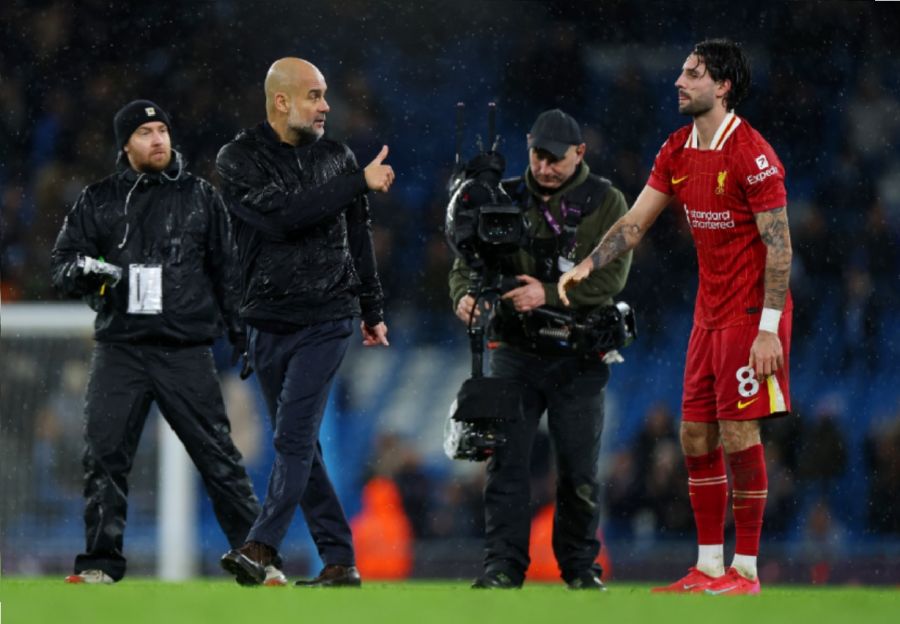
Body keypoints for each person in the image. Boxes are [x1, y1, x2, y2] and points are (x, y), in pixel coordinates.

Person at [559, 39, 792, 595]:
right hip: (708, 311)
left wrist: (767, 330)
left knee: (739, 432)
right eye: (682, 71)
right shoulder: (677, 149)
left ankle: (747, 570)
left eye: (692, 73)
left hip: (751, 313)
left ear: (723, 85)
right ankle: (709, 565)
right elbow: (636, 223)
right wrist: (588, 264)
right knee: (693, 434)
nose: (679, 81)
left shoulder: (753, 154)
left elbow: (779, 248)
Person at [50, 100, 278, 584]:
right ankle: (100, 566)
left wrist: (242, 334)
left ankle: (258, 559)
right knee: (104, 456)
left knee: (219, 458)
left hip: (184, 350)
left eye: (162, 130)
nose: (157, 139)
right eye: (144, 132)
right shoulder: (97, 200)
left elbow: (227, 271)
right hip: (120, 349)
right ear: (125, 145)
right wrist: (95, 275)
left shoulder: (201, 196)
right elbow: (62, 268)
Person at [216, 58, 392, 588]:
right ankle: (340, 561)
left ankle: (260, 546)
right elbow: (282, 218)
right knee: (302, 447)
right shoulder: (238, 160)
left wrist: (371, 310)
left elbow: (357, 238)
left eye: (325, 96)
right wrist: (356, 183)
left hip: (327, 317)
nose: (325, 106)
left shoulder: (337, 157)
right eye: (314, 96)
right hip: (266, 322)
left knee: (292, 440)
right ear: (281, 102)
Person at [449, 109, 632, 590]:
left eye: (556, 159)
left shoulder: (607, 202)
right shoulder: (501, 196)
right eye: (538, 156)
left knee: (577, 471)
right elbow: (465, 260)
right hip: (515, 348)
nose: (545, 167)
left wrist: (548, 294)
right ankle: (503, 568)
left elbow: (613, 276)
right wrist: (464, 296)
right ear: (527, 146)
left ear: (580, 154)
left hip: (579, 353)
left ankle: (578, 569)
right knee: (505, 465)